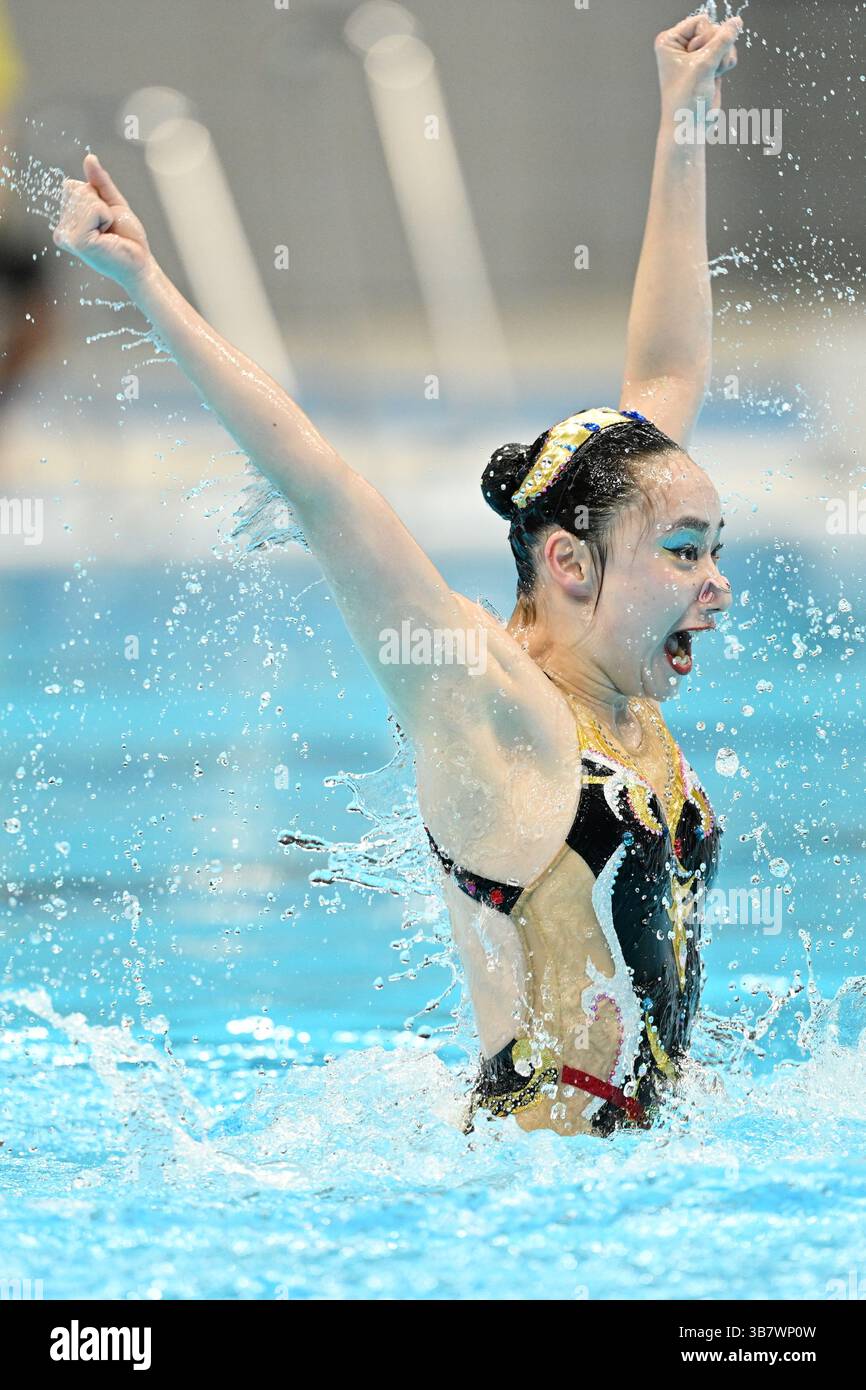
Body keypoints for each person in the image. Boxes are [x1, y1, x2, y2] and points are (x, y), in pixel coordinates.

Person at [50, 12, 742, 1138]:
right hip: (535, 1212)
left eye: (714, 550)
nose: (714, 585)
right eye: (684, 555)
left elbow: (666, 367)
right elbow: (319, 486)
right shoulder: (491, 703)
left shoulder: (614, 684)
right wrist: (147, 287)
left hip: (629, 1190)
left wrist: (679, 123)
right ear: (566, 562)